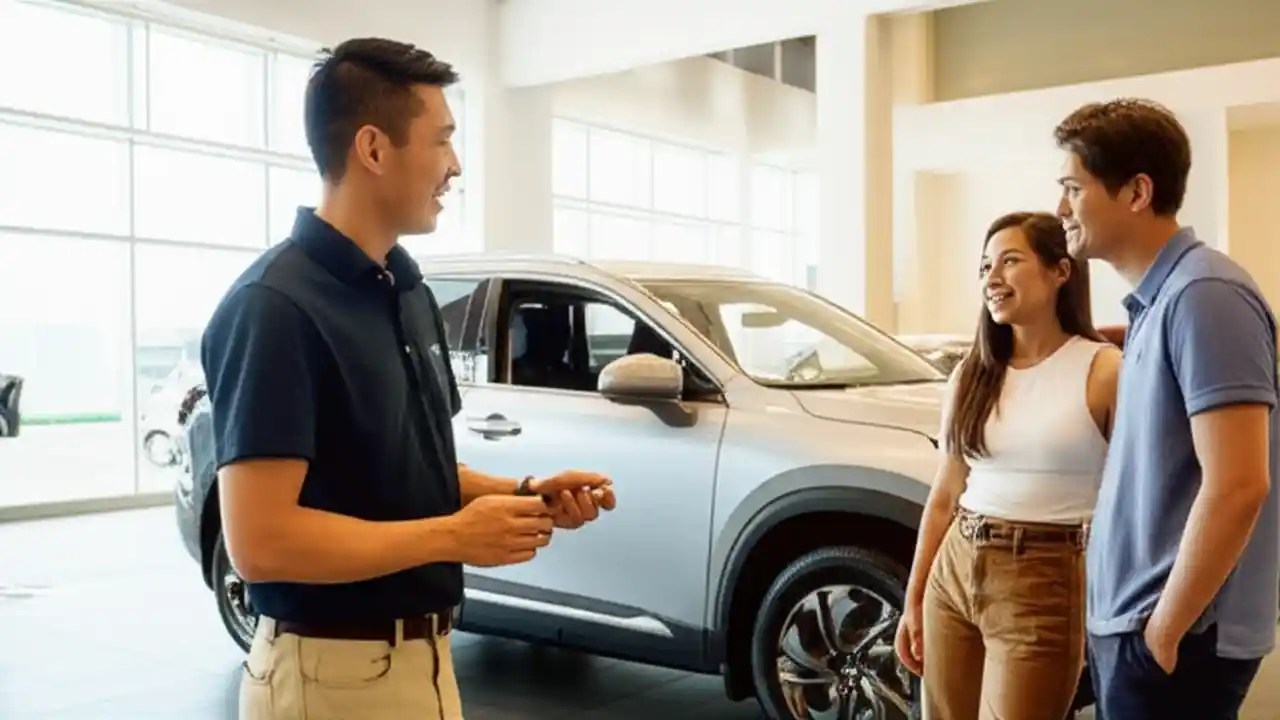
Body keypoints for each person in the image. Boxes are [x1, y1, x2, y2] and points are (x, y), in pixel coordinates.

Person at [200, 38, 617, 720]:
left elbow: (408, 470)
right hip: (327, 680)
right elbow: (260, 543)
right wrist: (453, 537)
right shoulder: (273, 308)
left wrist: (524, 493)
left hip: (425, 664)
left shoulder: (407, 293)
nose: (455, 166)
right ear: (373, 149)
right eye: (442, 141)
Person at [1054, 98, 1279, 719]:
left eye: (1074, 187)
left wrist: (1165, 631)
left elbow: (1238, 484)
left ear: (1136, 191)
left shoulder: (1205, 294)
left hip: (1178, 636)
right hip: (1142, 625)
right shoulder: (1161, 302)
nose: (1061, 209)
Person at [894, 211, 1122, 719]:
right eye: (983, 268)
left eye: (1009, 261)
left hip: (1044, 576)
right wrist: (912, 600)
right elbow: (945, 493)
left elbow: (1133, 498)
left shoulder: (1104, 369)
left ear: (1061, 270)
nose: (991, 279)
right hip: (954, 568)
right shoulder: (972, 374)